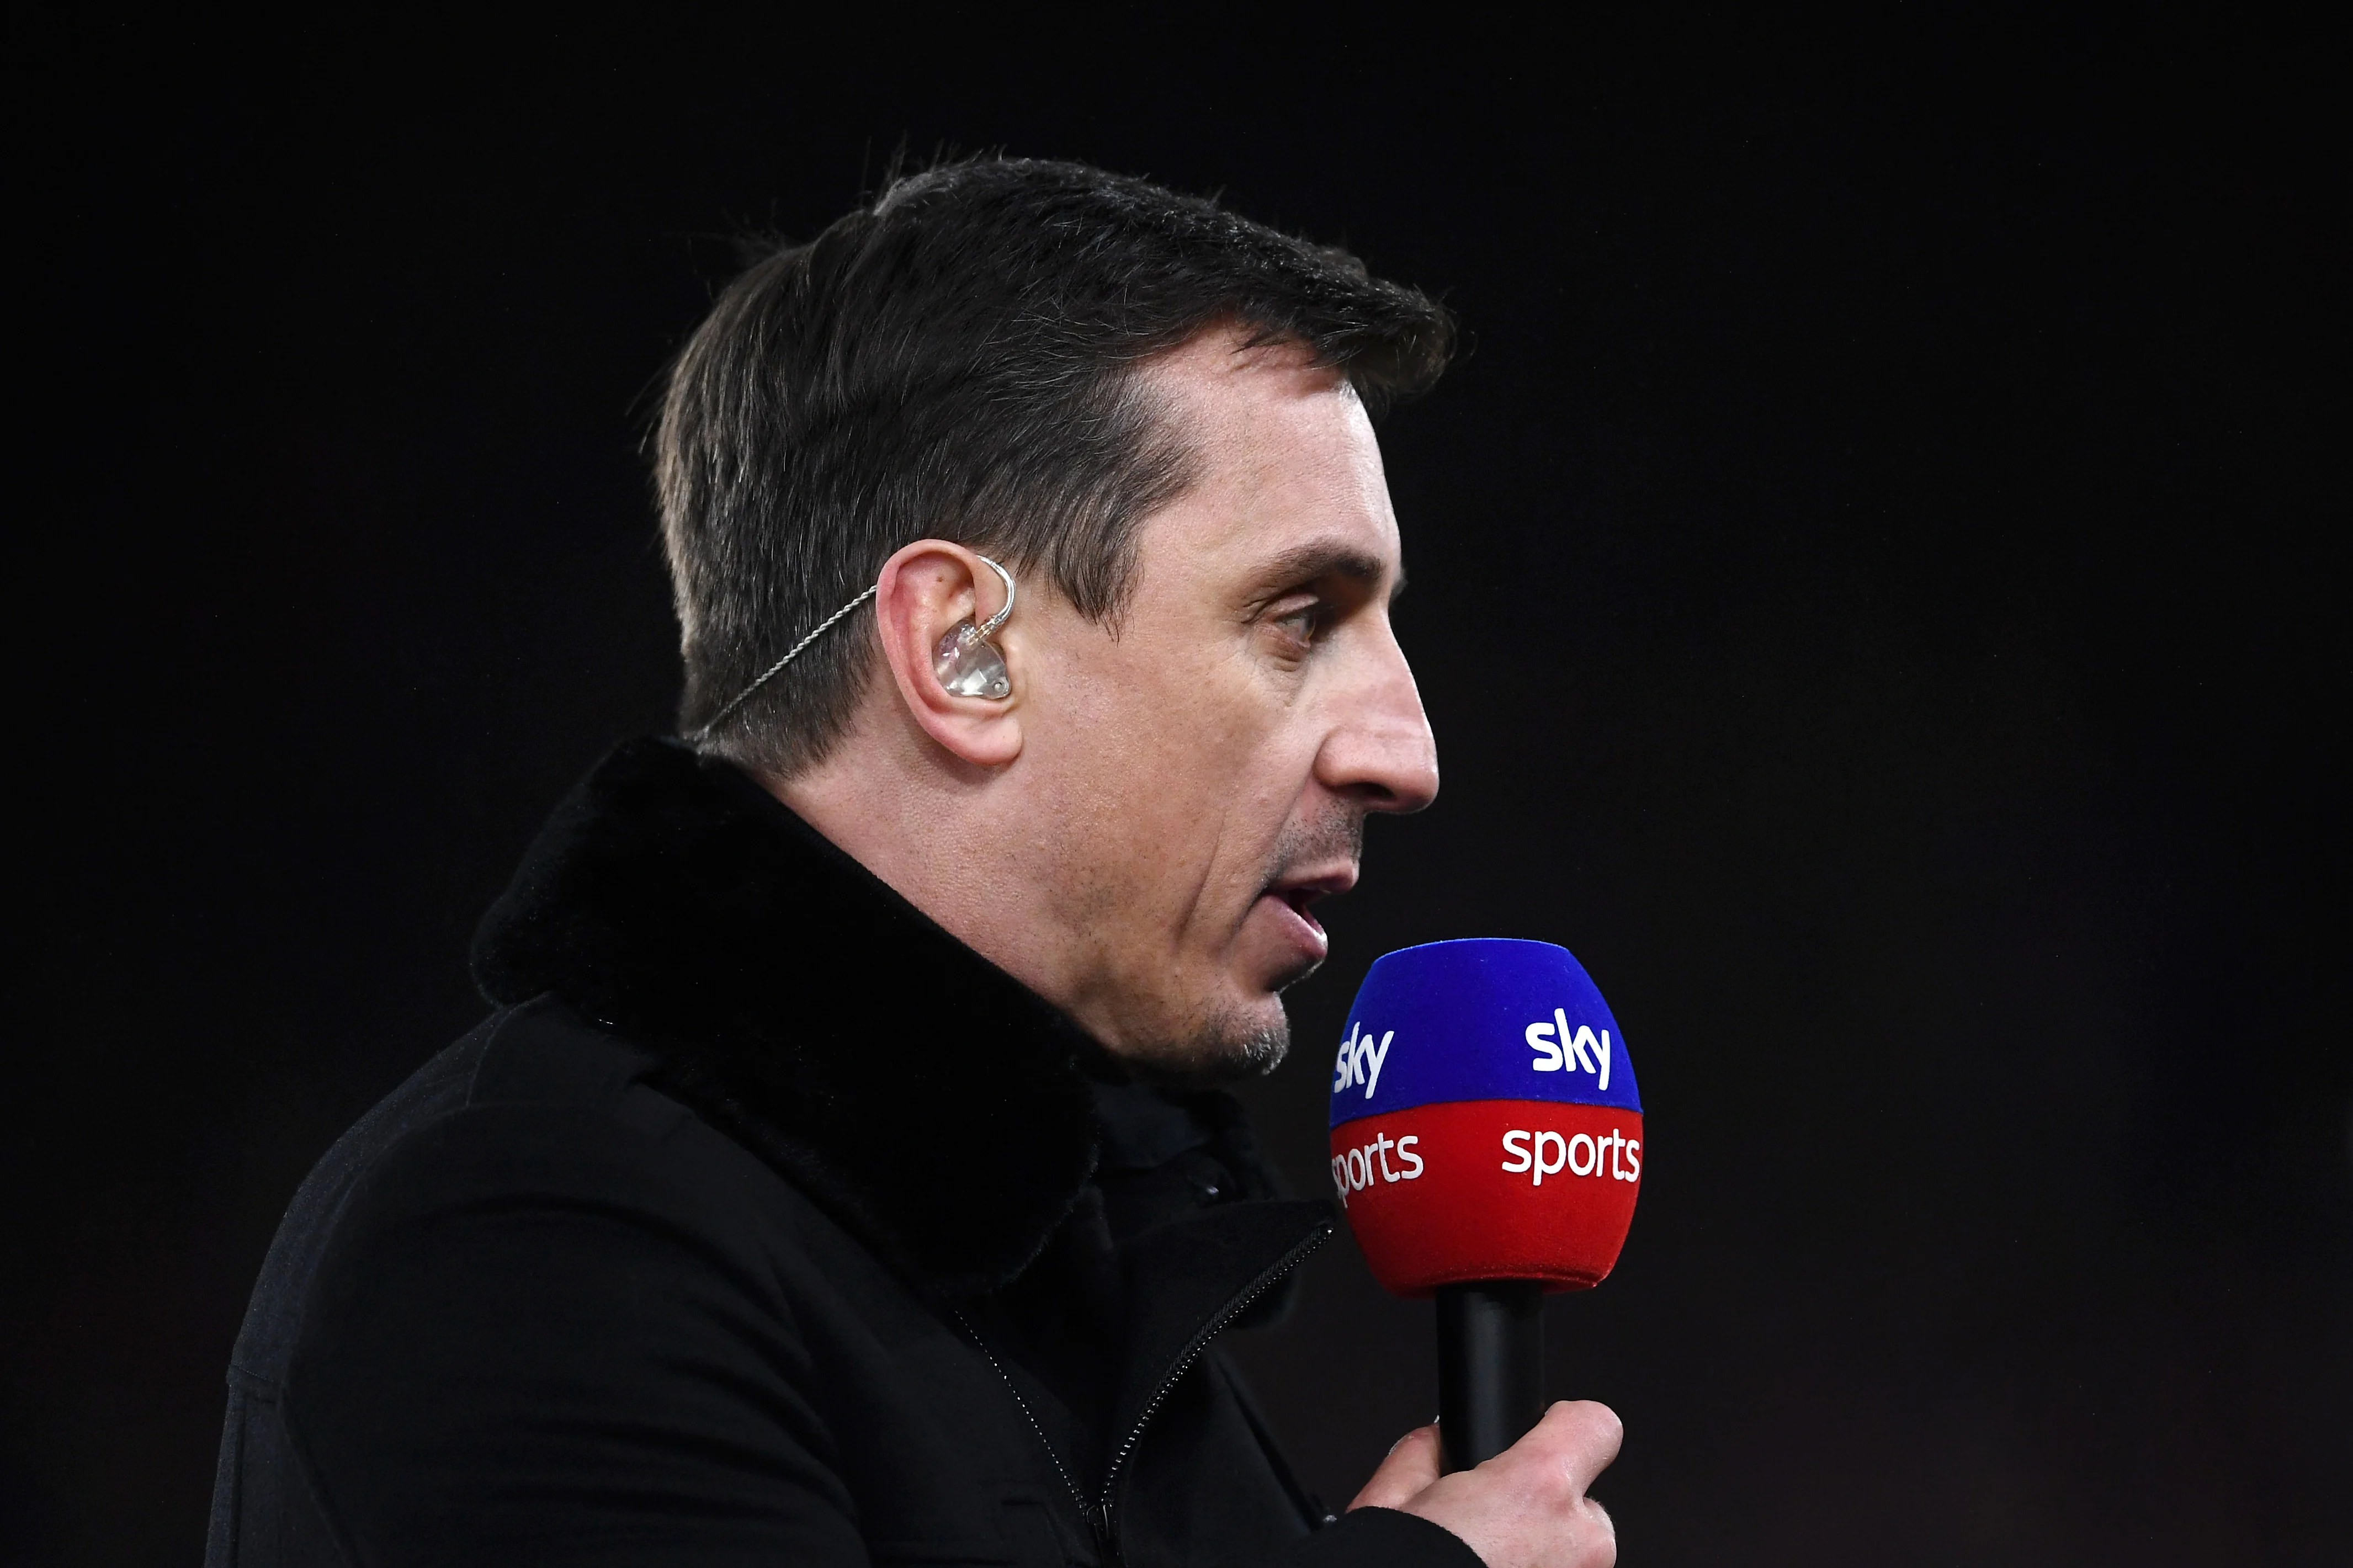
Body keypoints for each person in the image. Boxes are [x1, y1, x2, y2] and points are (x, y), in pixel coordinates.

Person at [207, 157, 1623, 1568]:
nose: (1406, 752)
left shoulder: (1068, 1256)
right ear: (961, 648)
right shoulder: (529, 1239)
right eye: (1298, 617)